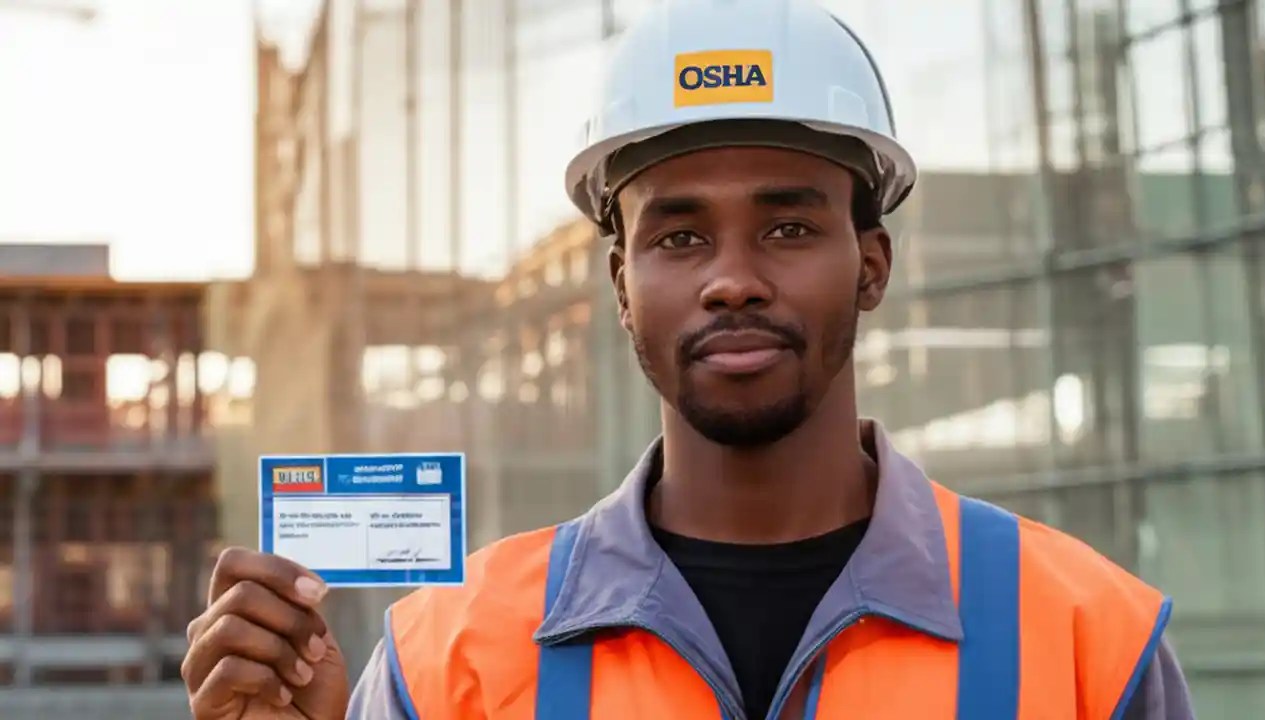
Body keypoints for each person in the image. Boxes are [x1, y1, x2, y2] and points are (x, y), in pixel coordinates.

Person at [182, 0, 1198, 718]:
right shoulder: (446, 660)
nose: (731, 278)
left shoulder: (1083, 643)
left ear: (871, 263)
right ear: (621, 285)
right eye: (677, 236)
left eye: (789, 228)